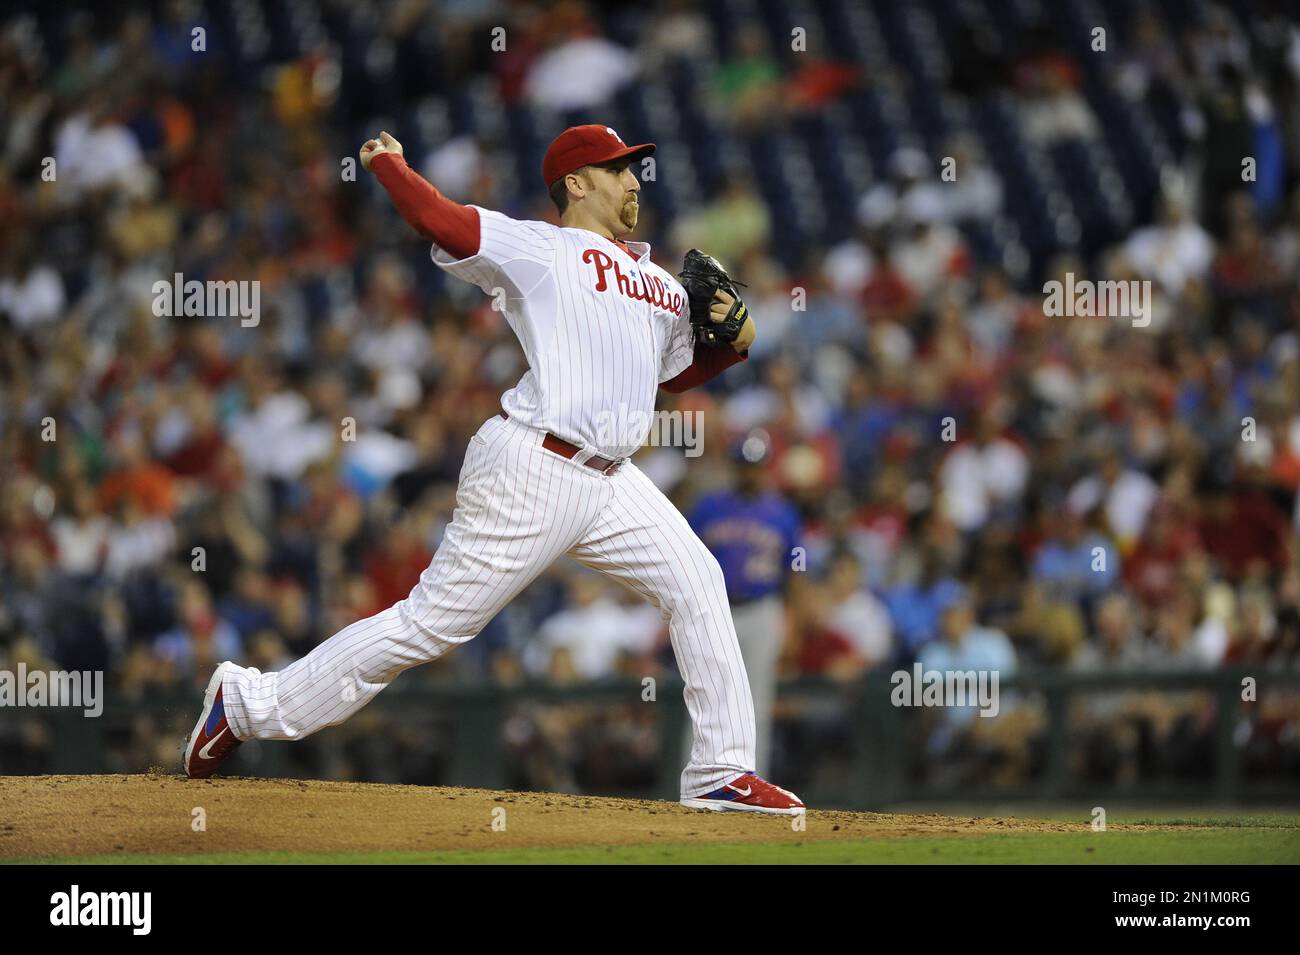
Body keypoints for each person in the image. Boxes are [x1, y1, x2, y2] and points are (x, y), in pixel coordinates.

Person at [181, 124, 804, 814]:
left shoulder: (656, 283)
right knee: (430, 625)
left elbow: (677, 376)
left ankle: (720, 771)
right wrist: (391, 166)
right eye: (621, 168)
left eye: (636, 169)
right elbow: (439, 220)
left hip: (613, 481)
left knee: (698, 581)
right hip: (534, 461)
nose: (635, 181)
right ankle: (245, 703)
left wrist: (734, 346)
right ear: (577, 183)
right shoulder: (543, 248)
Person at [687, 431, 801, 774]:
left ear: (766, 468)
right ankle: (696, 780)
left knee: (755, 700)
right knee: (704, 695)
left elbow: (795, 569)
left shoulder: (783, 513)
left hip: (763, 608)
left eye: (756, 465)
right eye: (744, 464)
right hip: (715, 610)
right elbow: (685, 559)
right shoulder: (708, 507)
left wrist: (792, 619)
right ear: (734, 466)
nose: (750, 472)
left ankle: (752, 778)